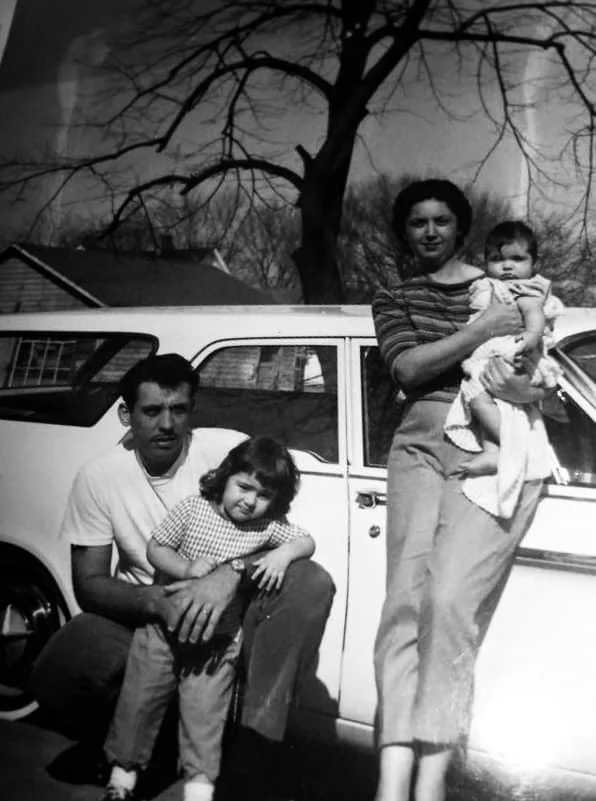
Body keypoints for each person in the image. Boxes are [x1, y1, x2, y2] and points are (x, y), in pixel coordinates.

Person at [30, 353, 334, 796]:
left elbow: (277, 528)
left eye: (179, 410)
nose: (167, 424)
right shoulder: (99, 476)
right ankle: (129, 755)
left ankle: (253, 747)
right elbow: (89, 584)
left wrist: (231, 574)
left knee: (311, 581)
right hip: (156, 611)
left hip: (230, 616)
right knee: (67, 661)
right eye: (152, 411)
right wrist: (158, 602)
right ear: (126, 415)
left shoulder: (227, 452)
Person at [372, 179, 548, 801]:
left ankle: (431, 783)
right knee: (403, 604)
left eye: (441, 221)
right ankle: (391, 783)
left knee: (447, 604)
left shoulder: (504, 281)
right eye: (417, 222)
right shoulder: (395, 296)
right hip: (421, 443)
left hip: (490, 435)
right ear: (404, 232)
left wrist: (519, 373)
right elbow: (407, 367)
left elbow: (536, 362)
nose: (429, 231)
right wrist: (483, 329)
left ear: (461, 227)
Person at [101, 436, 316, 801]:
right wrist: (185, 568)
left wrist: (283, 555)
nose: (250, 501)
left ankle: (199, 791)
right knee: (138, 703)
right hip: (163, 631)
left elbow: (306, 541)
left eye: (263, 495)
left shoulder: (268, 526)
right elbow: (156, 548)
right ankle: (121, 781)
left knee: (204, 719)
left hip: (216, 644)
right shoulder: (193, 509)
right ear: (226, 476)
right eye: (243, 487)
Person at [444, 220, 564, 517]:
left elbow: (533, 316)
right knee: (479, 393)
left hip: (515, 349)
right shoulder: (486, 286)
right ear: (486, 262)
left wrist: (531, 337)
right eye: (497, 259)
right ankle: (495, 449)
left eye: (517, 259)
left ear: (534, 263)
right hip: (493, 352)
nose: (507, 266)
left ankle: (505, 446)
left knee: (476, 393)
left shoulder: (526, 289)